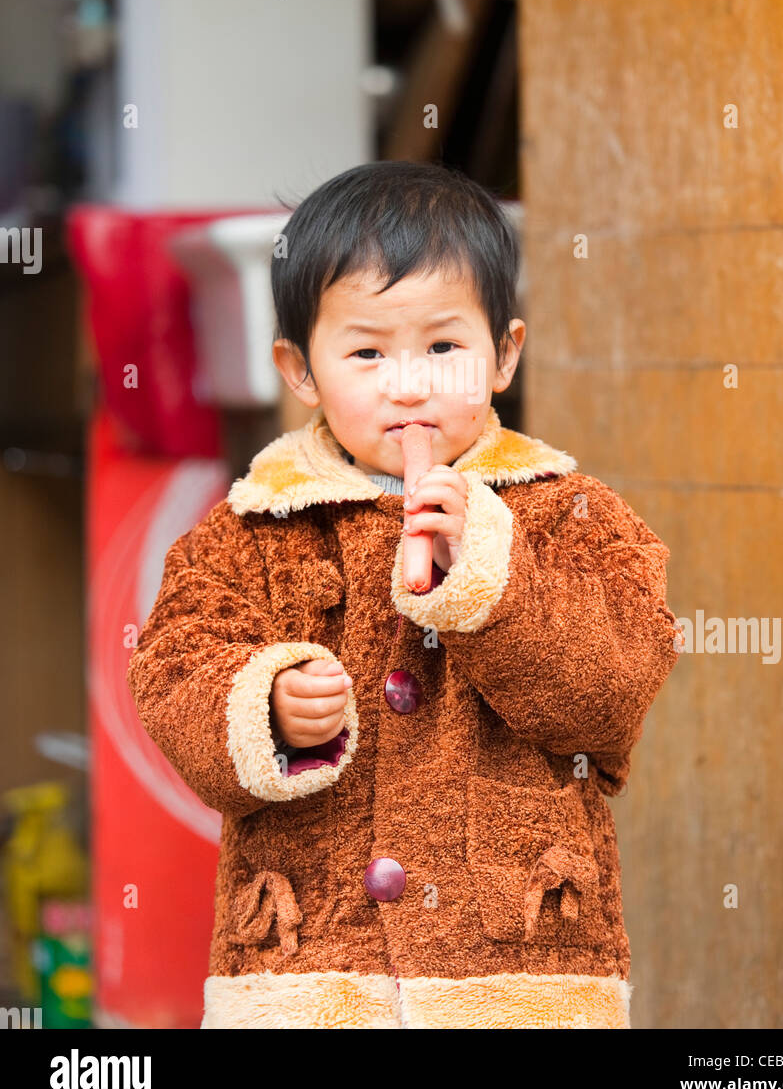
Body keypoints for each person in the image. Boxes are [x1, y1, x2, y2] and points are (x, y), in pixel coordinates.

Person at [127, 159, 680, 1029]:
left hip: (509, 968)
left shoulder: (569, 514)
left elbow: (608, 695)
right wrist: (264, 705)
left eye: (444, 347)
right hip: (307, 967)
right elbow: (171, 672)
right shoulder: (247, 532)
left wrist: (494, 574)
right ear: (300, 371)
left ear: (503, 355)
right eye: (366, 352)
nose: (408, 382)